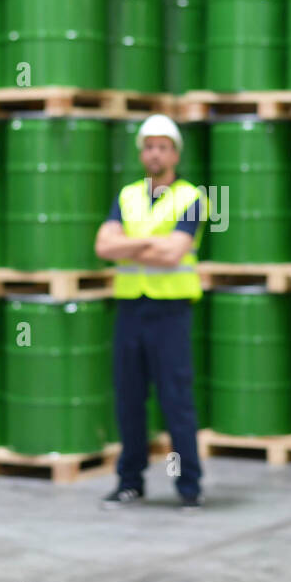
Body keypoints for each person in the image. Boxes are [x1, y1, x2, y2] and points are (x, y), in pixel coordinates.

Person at [93, 114, 207, 511]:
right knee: (128, 397)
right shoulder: (127, 196)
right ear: (142, 152)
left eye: (162, 146)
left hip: (170, 312)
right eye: (149, 146)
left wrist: (130, 241)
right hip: (130, 309)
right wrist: (149, 245)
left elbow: (174, 251)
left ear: (175, 153)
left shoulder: (192, 196)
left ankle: (188, 485)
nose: (154, 153)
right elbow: (103, 247)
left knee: (176, 398)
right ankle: (130, 482)